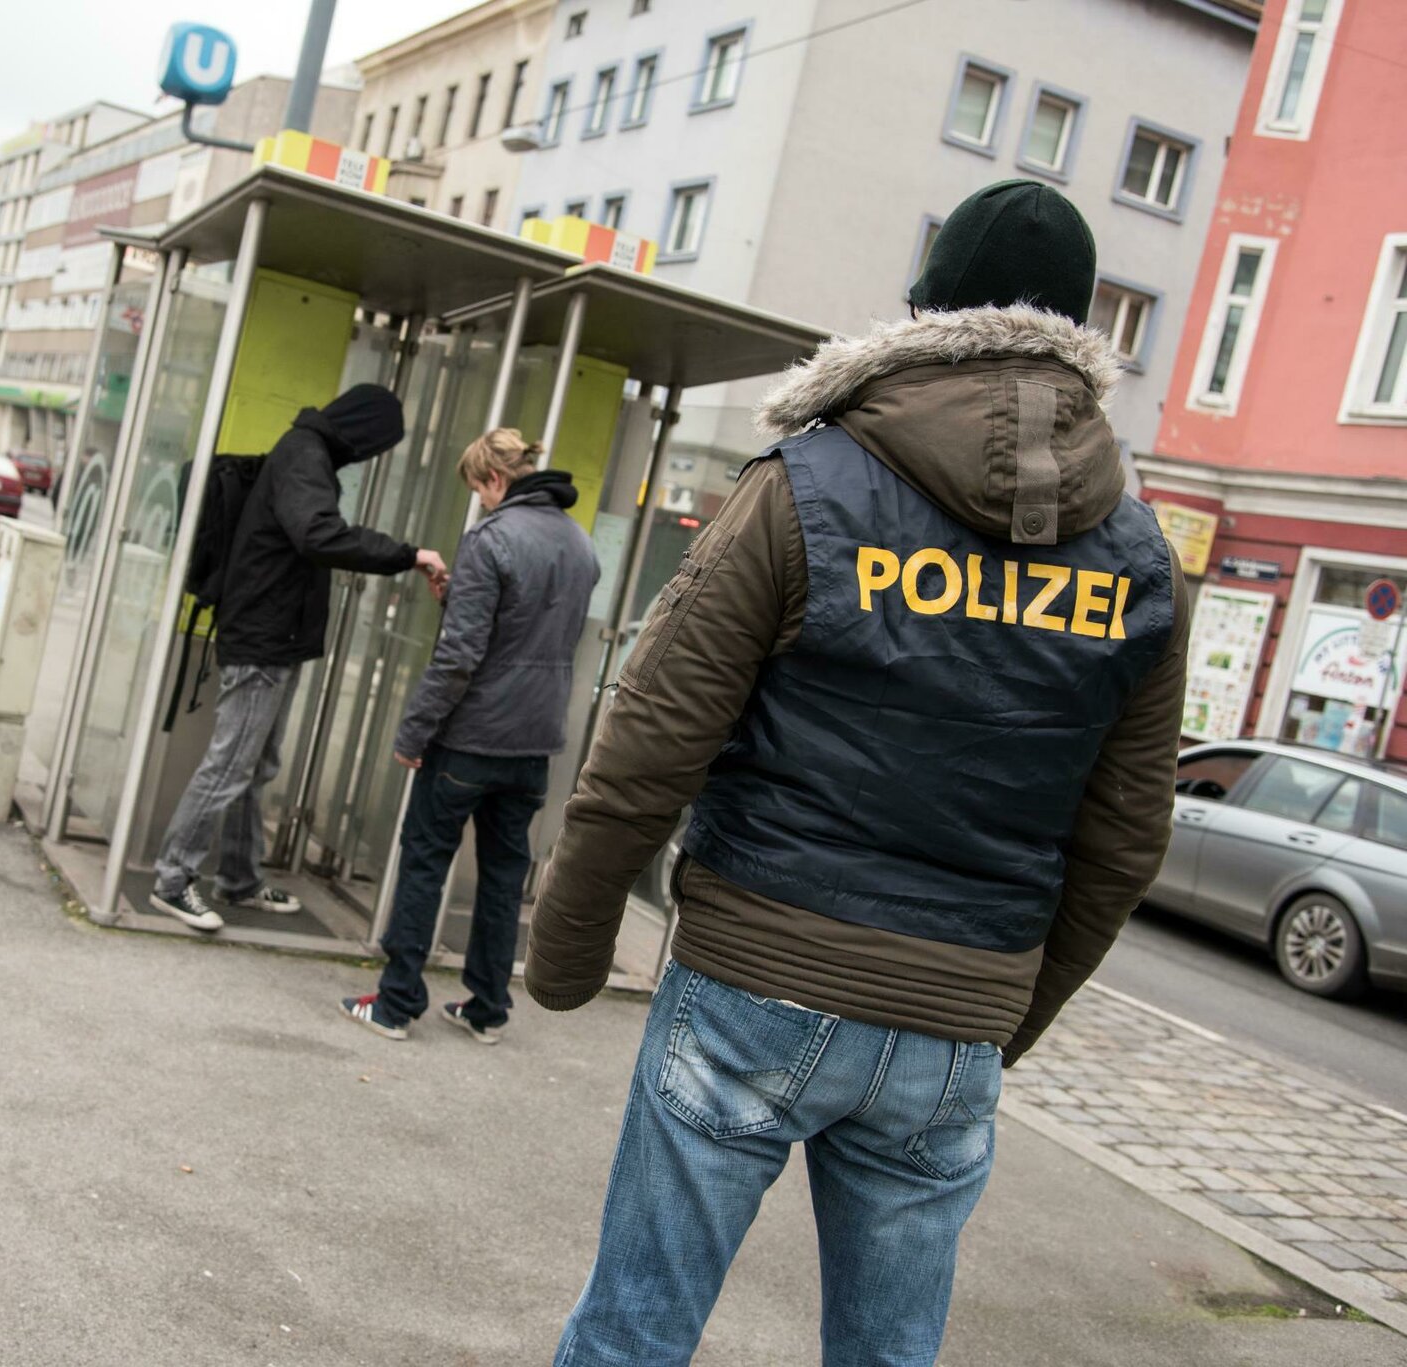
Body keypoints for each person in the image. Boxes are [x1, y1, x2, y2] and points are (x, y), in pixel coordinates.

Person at [526, 180, 1190, 1364]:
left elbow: (651, 737)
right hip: (956, 1013)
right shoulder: (1137, 559)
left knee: (634, 1331)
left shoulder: (805, 485)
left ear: (922, 314)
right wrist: (999, 1013)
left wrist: (565, 949)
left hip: (756, 971)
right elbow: (1125, 833)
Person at [150, 385, 448, 933]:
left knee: (254, 766)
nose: (367, 456)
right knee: (230, 765)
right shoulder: (305, 455)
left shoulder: (306, 453)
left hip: (274, 636)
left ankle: (239, 878)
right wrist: (408, 555)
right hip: (262, 638)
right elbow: (317, 534)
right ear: (362, 431)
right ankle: (172, 879)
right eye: (375, 445)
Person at [340, 430, 598, 1043]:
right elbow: (530, 630)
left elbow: (460, 657)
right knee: (504, 877)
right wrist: (458, 597)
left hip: (471, 737)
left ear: (494, 479)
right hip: (534, 740)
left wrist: (414, 732)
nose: (480, 501)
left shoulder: (491, 537)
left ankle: (396, 1003)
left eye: (479, 490)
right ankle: (486, 1008)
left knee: (425, 861)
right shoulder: (579, 542)